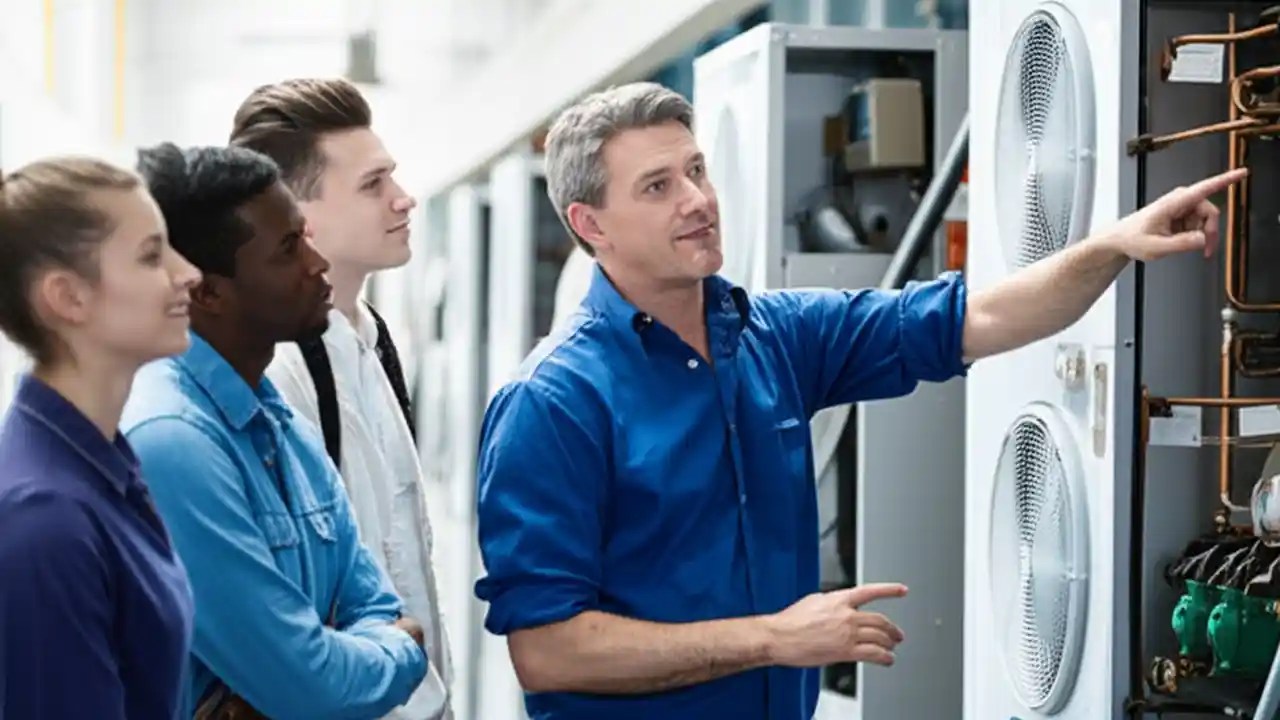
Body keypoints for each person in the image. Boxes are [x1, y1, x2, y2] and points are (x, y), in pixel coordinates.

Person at [472, 81, 1248, 720]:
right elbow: (548, 650)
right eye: (658, 186)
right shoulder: (553, 403)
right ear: (590, 224)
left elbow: (977, 317)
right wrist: (770, 639)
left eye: (698, 170)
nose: (698, 199)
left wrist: (1113, 245)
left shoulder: (774, 335)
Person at [120, 142, 428, 719]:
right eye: (289, 249)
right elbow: (316, 688)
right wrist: (388, 650)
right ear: (204, 290)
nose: (317, 265)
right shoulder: (171, 439)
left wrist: (374, 649)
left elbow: (379, 606)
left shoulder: (277, 422)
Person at [228, 77, 453, 720]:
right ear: (295, 216)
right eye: (372, 185)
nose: (403, 200)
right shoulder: (281, 373)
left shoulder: (371, 338)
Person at [0, 156, 201, 718]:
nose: (188, 273)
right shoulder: (44, 518)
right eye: (151, 255)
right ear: (67, 297)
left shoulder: (102, 467)